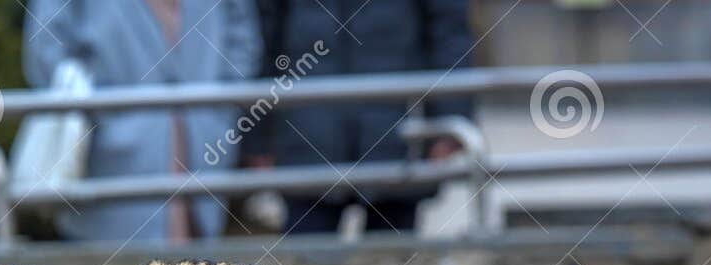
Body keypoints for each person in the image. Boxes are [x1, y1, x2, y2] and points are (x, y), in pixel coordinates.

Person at [24, 0, 262, 244]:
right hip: (107, 178)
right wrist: (99, 116)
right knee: (108, 263)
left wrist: (217, 114)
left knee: (193, 261)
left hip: (201, 162)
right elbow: (46, 53)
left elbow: (242, 41)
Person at [250, 0, 475, 233]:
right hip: (307, 142)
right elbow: (264, 36)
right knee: (308, 246)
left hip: (397, 141)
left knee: (390, 249)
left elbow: (450, 34)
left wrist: (450, 118)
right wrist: (257, 136)